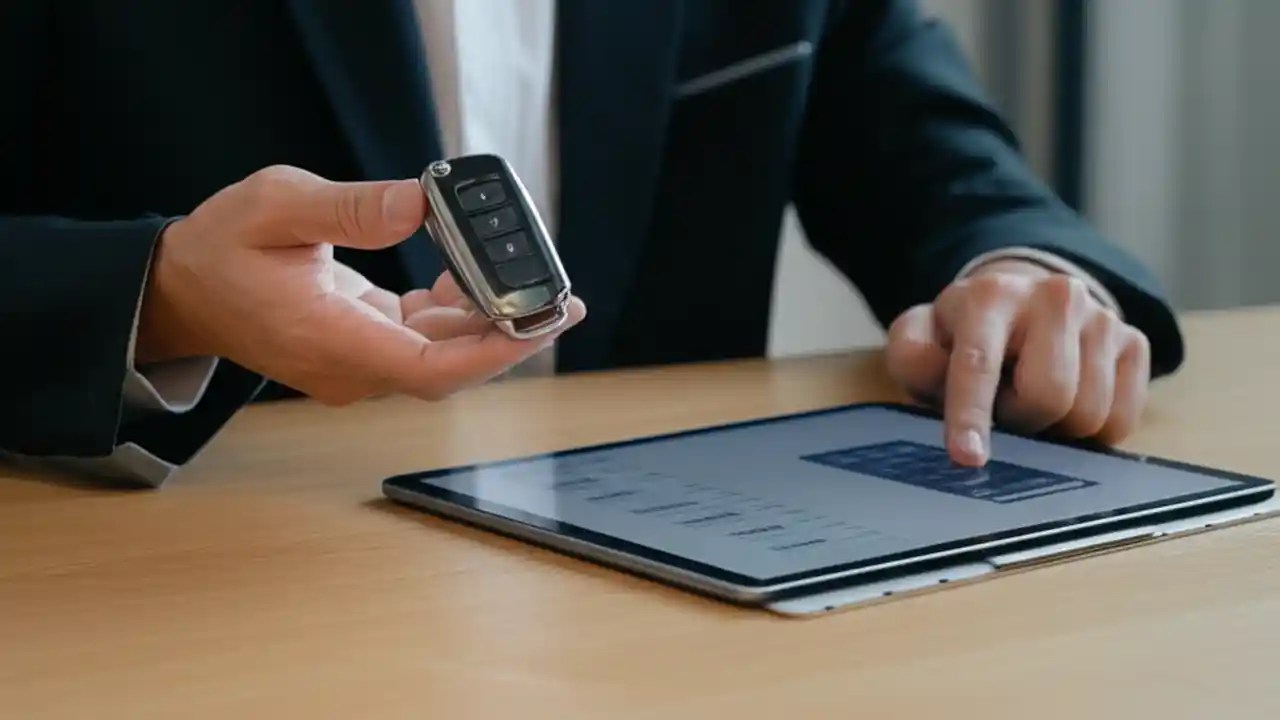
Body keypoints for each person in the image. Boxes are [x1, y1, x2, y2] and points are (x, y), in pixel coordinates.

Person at [0, 0, 1181, 486]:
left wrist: (1023, 270)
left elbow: (913, 132)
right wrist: (158, 297)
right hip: (192, 586)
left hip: (668, 588)